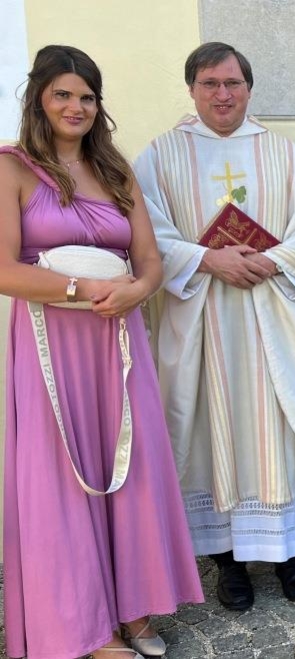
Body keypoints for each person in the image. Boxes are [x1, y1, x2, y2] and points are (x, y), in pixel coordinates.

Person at [0, 45, 203, 659]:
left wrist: (138, 290)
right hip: (50, 344)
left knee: (131, 466)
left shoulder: (115, 169)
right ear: (40, 98)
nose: (76, 106)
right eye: (63, 94)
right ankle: (86, 626)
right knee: (61, 475)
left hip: (118, 341)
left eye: (87, 96)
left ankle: (133, 607)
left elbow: (148, 260)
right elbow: (2, 269)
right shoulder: (11, 170)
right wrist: (80, 290)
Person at [134, 42, 295, 611]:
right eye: (210, 84)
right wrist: (209, 260)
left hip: (274, 320)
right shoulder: (158, 157)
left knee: (279, 431)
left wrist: (271, 260)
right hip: (202, 325)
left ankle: (290, 554)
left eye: (232, 83)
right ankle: (228, 565)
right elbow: (145, 235)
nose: (222, 95)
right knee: (209, 434)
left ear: (249, 88)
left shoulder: (285, 154)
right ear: (192, 90)